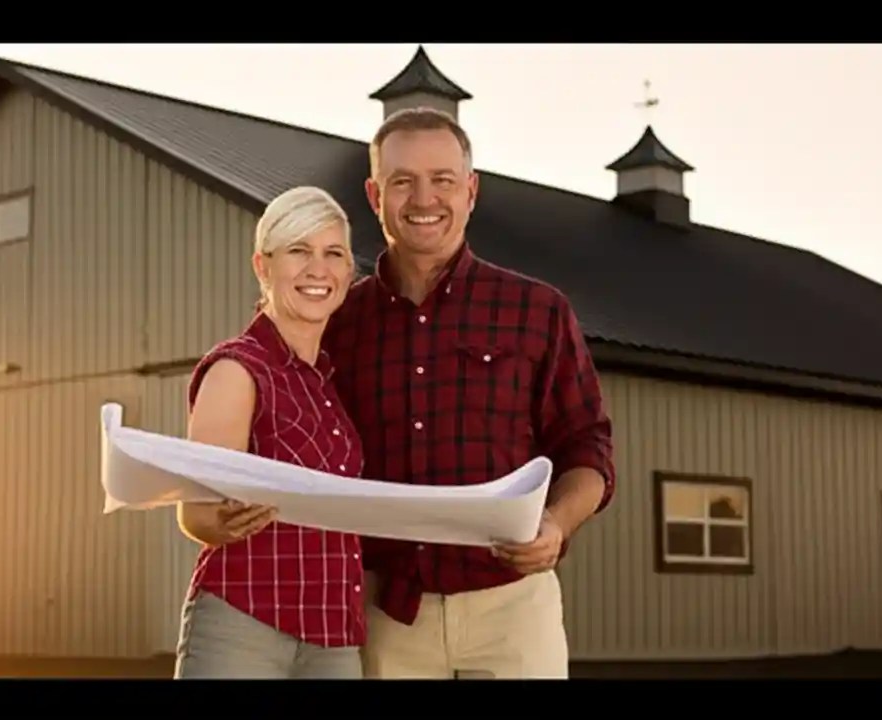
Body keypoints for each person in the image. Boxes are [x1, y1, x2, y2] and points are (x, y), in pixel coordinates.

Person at [321, 107, 617, 679]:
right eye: (402, 181)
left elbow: (587, 448)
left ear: (471, 190)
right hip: (386, 615)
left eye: (443, 180)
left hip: (512, 609)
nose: (423, 198)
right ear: (373, 193)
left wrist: (556, 525)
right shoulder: (339, 323)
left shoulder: (537, 310)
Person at [172, 185, 367, 679]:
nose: (317, 269)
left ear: (348, 272)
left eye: (333, 254)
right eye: (298, 251)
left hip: (333, 635)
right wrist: (221, 520)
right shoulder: (237, 370)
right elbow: (194, 513)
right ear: (263, 266)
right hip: (246, 624)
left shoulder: (330, 385)